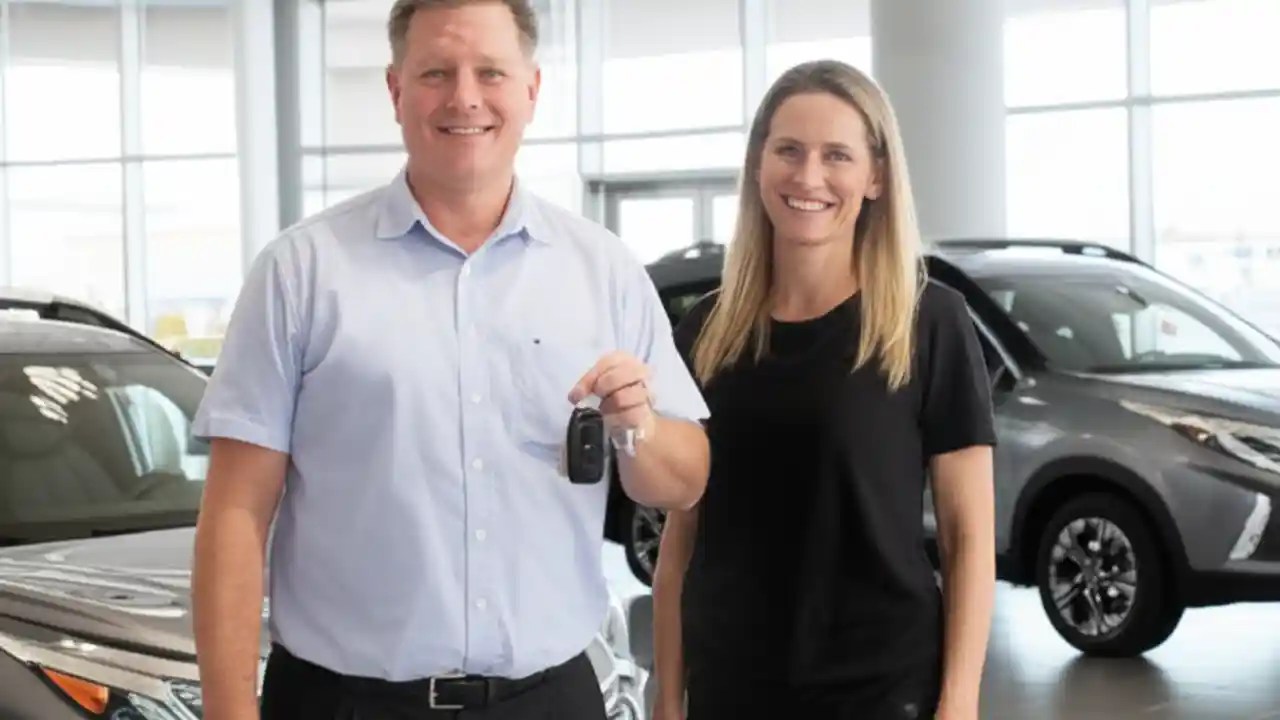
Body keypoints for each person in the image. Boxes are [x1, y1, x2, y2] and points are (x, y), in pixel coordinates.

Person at [189, 1, 711, 719]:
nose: (464, 97)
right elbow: (236, 516)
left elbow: (684, 482)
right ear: (396, 89)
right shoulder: (302, 271)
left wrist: (638, 425)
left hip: (548, 698)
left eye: (490, 72)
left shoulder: (603, 270)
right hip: (343, 703)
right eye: (436, 72)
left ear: (530, 90)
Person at [651, 59, 998, 720]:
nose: (808, 177)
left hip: (882, 690)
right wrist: (668, 697)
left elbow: (968, 537)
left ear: (875, 177)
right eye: (788, 150)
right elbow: (681, 542)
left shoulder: (928, 322)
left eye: (836, 155)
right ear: (758, 166)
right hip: (733, 687)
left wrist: (960, 701)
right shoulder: (707, 332)